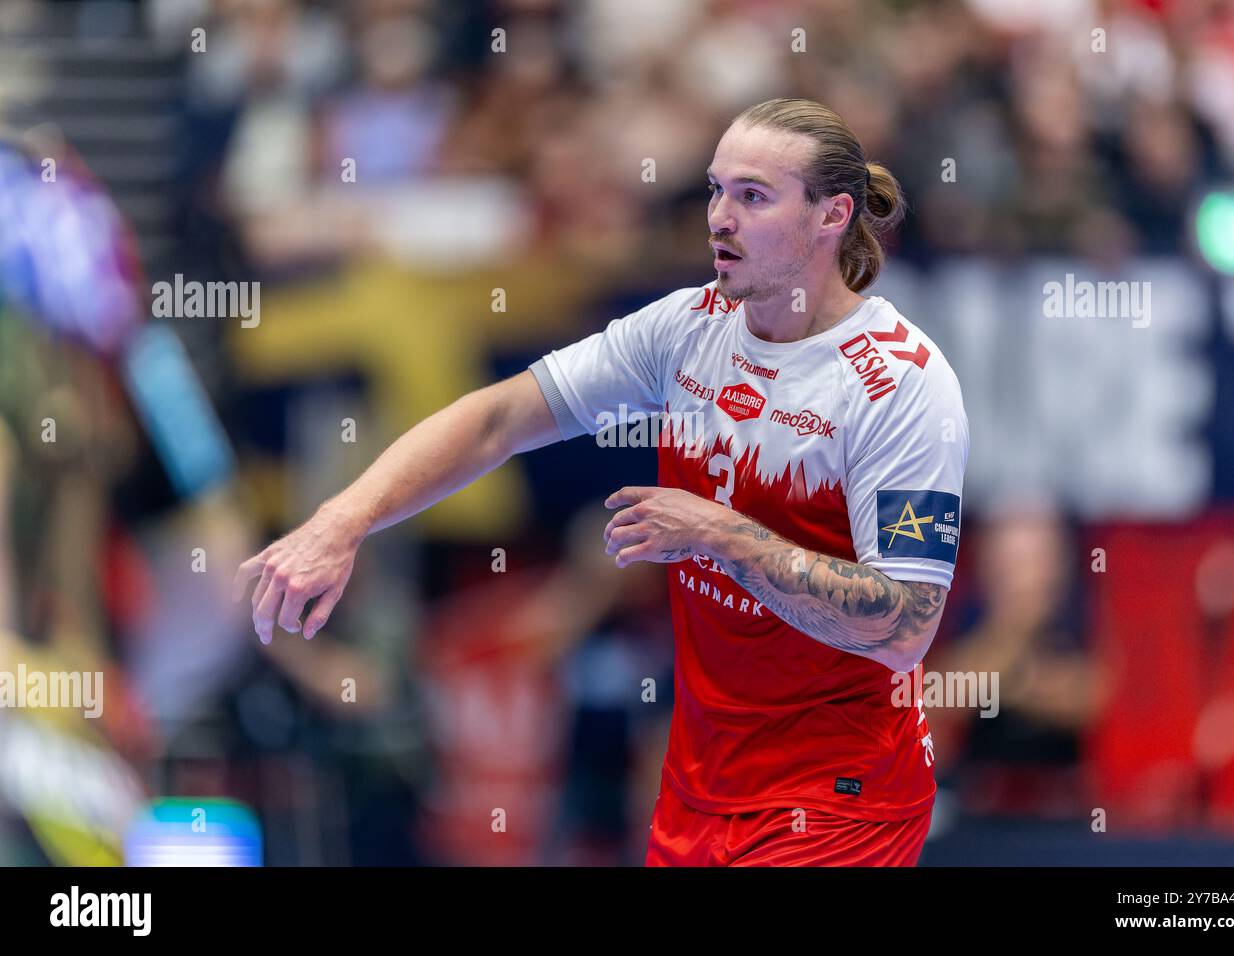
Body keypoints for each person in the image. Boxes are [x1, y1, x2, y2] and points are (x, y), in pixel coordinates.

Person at [233, 98, 970, 866]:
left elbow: (903, 626)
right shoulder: (687, 329)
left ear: (832, 216)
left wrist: (720, 532)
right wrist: (342, 521)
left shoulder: (900, 384)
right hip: (699, 792)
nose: (719, 217)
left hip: (840, 799)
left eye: (752, 196)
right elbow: (496, 419)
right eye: (716, 191)